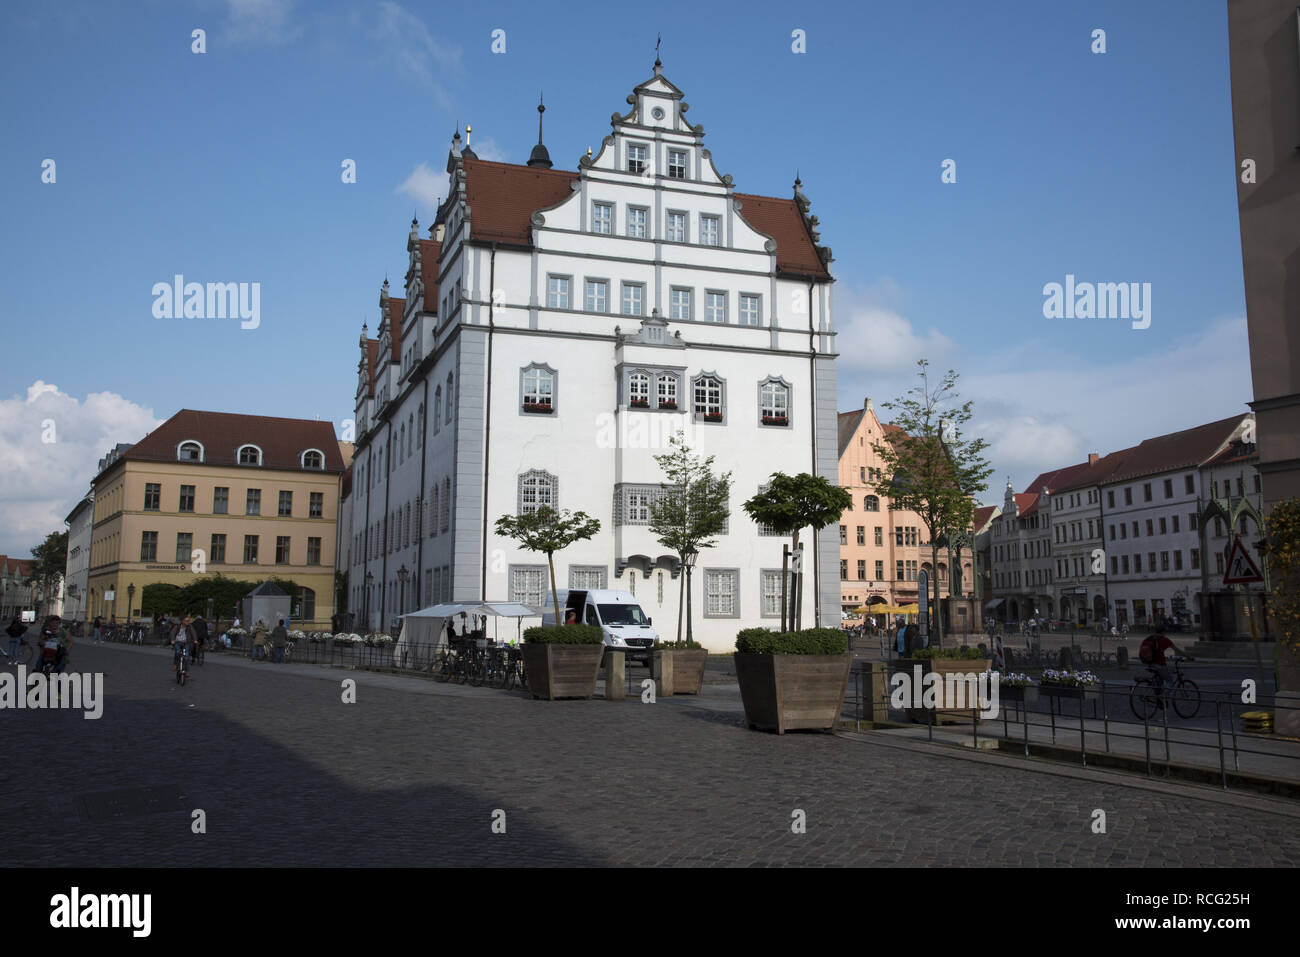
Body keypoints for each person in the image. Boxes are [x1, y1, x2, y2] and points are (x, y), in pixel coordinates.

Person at [1139, 628, 1193, 696]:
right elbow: (1177, 650)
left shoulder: (1149, 638)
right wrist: (1188, 656)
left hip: (1149, 662)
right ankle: (1162, 698)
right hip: (1159, 663)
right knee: (1169, 681)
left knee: (1160, 680)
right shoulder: (1164, 640)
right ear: (1164, 632)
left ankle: (1157, 697)